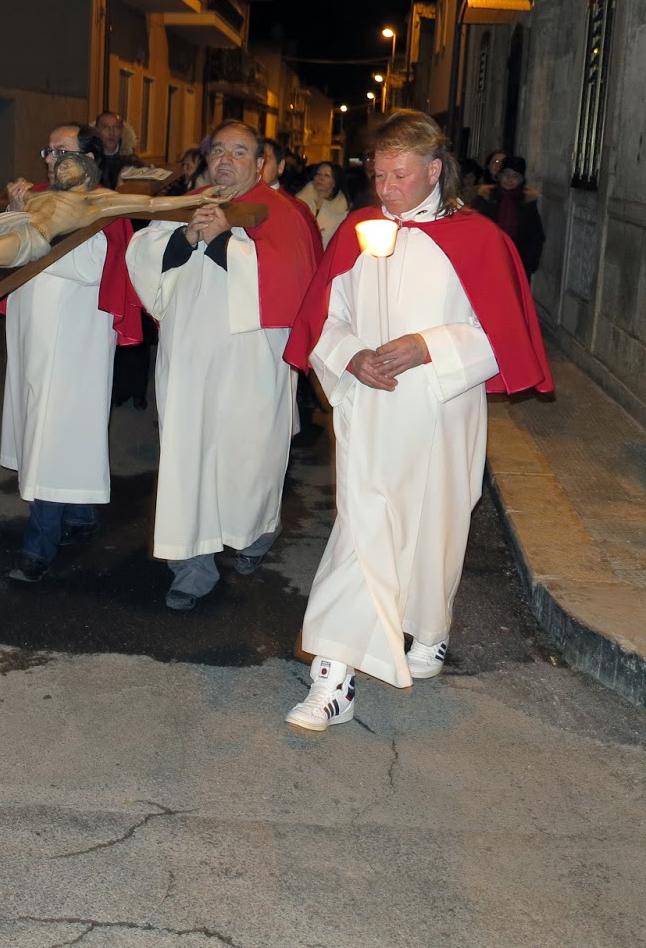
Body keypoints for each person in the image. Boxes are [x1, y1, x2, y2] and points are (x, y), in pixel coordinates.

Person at [281, 110, 552, 732]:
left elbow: (498, 335)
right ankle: (332, 679)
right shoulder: (356, 231)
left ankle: (429, 627)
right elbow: (328, 316)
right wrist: (352, 357)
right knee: (361, 530)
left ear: (434, 170)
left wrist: (428, 345)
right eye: (378, 175)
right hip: (371, 410)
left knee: (437, 525)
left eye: (400, 175)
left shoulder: (479, 240)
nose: (386, 188)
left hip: (441, 409)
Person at [125, 120, 318, 610]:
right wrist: (186, 237)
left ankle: (254, 533)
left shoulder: (285, 212)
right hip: (188, 359)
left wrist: (220, 240)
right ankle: (192, 565)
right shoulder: (187, 204)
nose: (225, 160)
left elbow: (288, 280)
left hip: (250, 362)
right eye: (218, 151)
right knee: (187, 461)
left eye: (240, 151)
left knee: (248, 460)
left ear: (261, 164)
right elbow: (146, 257)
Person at [0, 124, 142, 583]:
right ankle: (79, 516)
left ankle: (38, 546)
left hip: (74, 340)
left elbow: (90, 264)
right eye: (48, 149)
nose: (50, 159)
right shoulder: (38, 197)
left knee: (55, 433)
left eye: (61, 151)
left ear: (89, 160)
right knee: (55, 429)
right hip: (34, 337)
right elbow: (2, 251)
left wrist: (30, 221)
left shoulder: (102, 205)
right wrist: (15, 213)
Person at [0, 156, 222, 332]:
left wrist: (197, 197)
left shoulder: (94, 200)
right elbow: (15, 205)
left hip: (32, 237)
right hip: (13, 223)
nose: (60, 169)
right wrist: (19, 199)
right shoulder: (46, 191)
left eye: (69, 165)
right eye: (60, 165)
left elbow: (148, 204)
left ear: (86, 173)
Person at [473, 154, 546, 277]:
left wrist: (528, 263)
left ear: (521, 180)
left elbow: (535, 235)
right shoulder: (486, 198)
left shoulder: (527, 202)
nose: (510, 180)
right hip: (488, 257)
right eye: (506, 175)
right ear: (499, 176)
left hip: (517, 260)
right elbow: (475, 228)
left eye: (515, 176)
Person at [294, 161, 351, 249]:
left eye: (327, 176)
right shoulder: (300, 203)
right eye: (318, 174)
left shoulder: (342, 211)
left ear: (335, 182)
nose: (320, 178)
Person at [94, 110, 137, 190]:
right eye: (106, 127)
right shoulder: (89, 159)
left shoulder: (132, 162)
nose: (111, 132)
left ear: (121, 131)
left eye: (116, 127)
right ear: (97, 130)